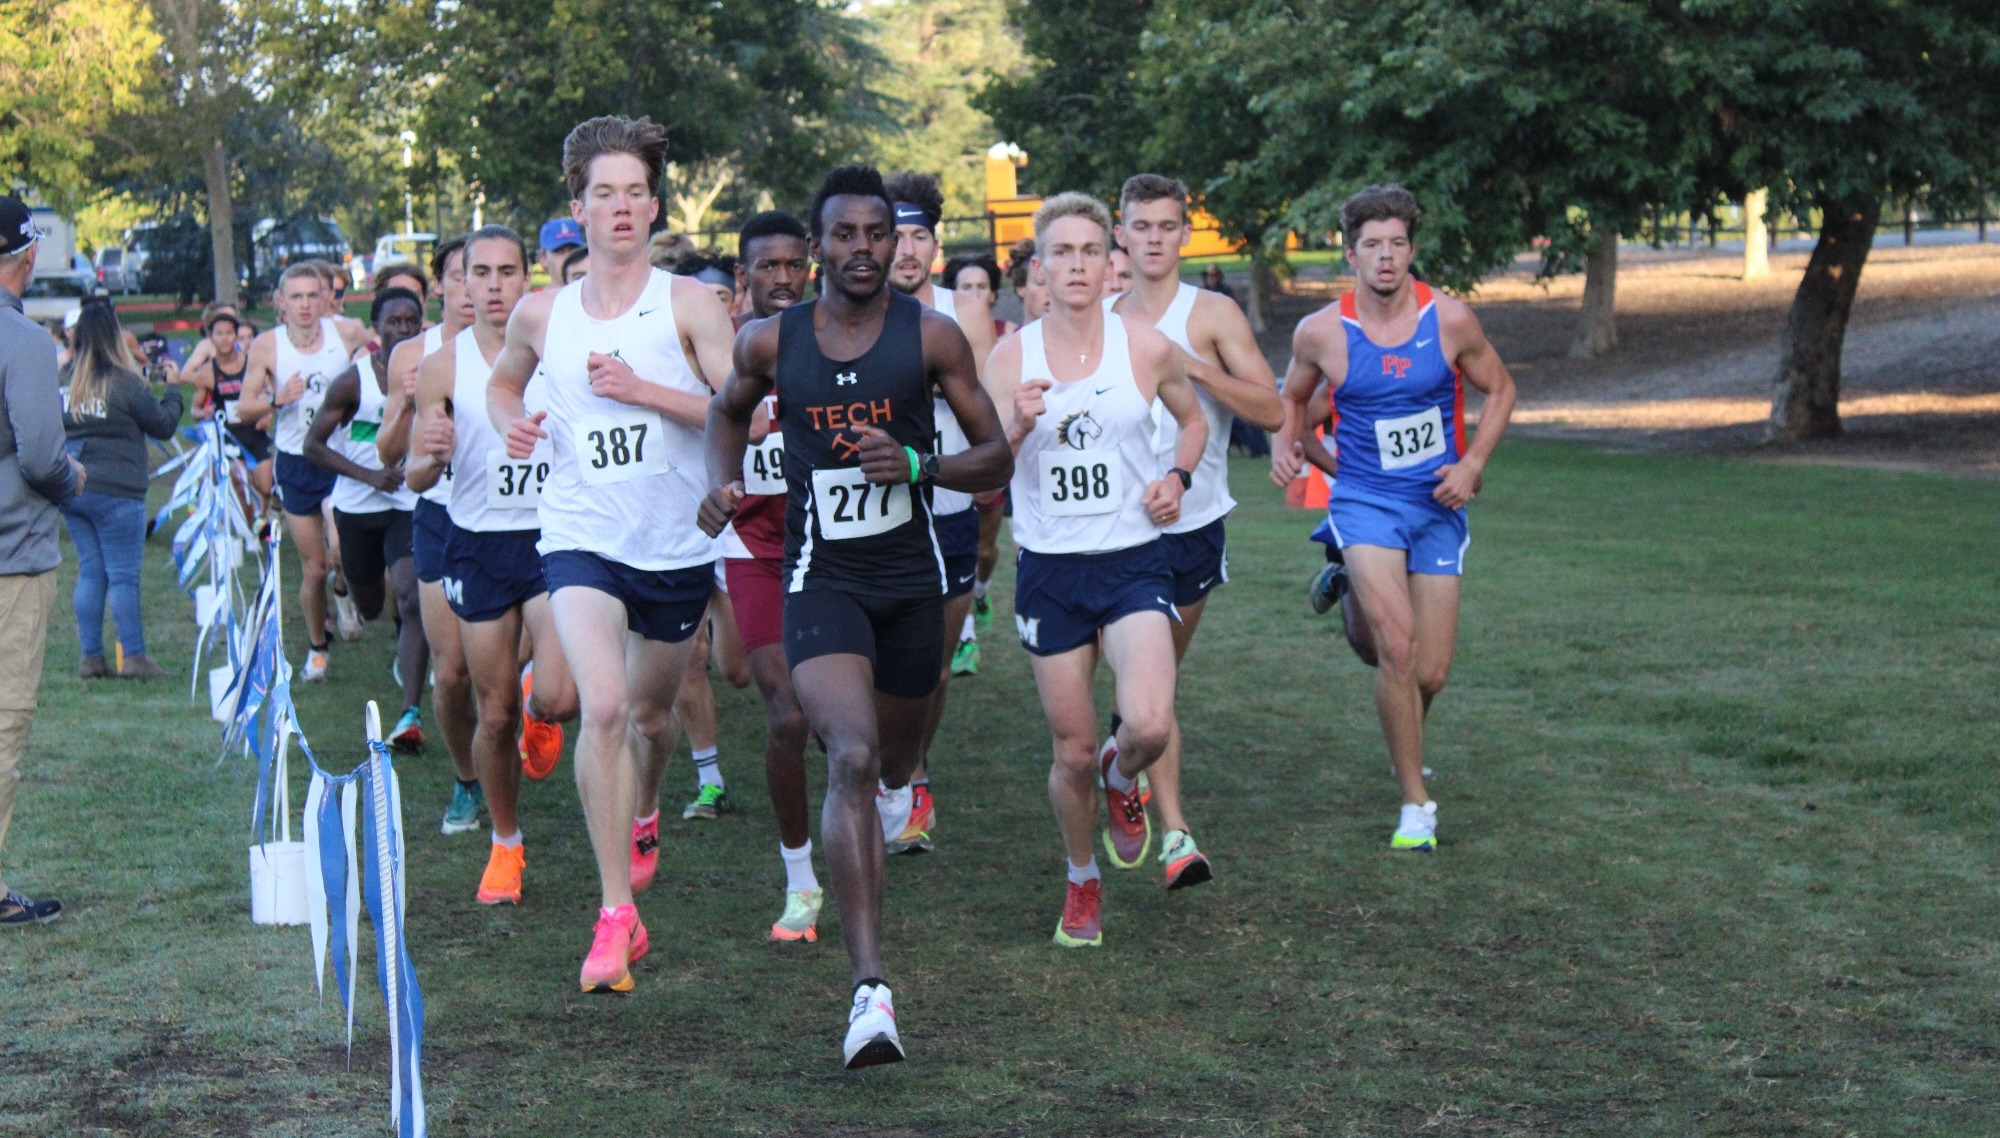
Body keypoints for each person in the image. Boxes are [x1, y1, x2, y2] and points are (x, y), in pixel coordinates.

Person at [701, 165, 1010, 1068]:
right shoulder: (772, 342)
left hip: (913, 581)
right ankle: (869, 990)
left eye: (878, 234)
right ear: (818, 244)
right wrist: (718, 483)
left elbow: (994, 457)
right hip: (820, 577)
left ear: (894, 242)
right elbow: (725, 414)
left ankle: (890, 800)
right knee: (851, 749)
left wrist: (918, 466)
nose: (864, 250)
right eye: (845, 235)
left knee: (898, 759)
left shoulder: (933, 339)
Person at [485, 115, 737, 994]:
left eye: (635, 192)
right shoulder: (541, 311)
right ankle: (612, 915)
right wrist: (507, 421)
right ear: (578, 209)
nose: (621, 206)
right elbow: (502, 378)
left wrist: (643, 391)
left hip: (671, 544)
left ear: (655, 207)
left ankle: (648, 807)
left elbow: (737, 410)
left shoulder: (690, 306)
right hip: (578, 533)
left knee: (651, 720)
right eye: (605, 192)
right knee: (601, 709)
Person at [982, 192, 1206, 949]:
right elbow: (985, 475)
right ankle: (1082, 879)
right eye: (1060, 253)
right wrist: (1015, 422)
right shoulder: (1010, 358)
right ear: (1038, 267)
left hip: (1134, 559)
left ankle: (1124, 777)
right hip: (1050, 571)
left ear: (1108, 261)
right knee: (1071, 751)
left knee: (1146, 722)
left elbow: (1195, 419)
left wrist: (1174, 477)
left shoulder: (1142, 345)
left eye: (1088, 251)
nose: (1075, 266)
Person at [1270, 184, 1517, 852]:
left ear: (1412, 249)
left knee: (1429, 671)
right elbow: (1292, 400)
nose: (1386, 256)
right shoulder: (1321, 331)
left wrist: (1473, 465)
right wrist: (1292, 450)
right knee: (1397, 650)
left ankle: (1352, 600)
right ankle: (1416, 803)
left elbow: (1501, 389)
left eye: (1398, 244)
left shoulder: (1452, 320)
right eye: (1372, 245)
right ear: (1350, 254)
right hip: (1366, 503)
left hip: (1437, 504)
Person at [1104, 173, 1285, 888]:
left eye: (1165, 226)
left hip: (1196, 522)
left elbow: (1271, 412)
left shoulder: (1210, 312)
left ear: (1185, 233)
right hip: (1116, 532)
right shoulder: (1103, 315)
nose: (1152, 238)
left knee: (1155, 683)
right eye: (1140, 226)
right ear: (1122, 232)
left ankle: (1121, 768)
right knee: (1149, 682)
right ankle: (1177, 834)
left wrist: (1194, 368)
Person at [410, 224, 579, 905]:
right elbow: (420, 477)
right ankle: (505, 844)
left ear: (528, 277)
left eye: (507, 272)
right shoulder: (442, 367)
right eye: (479, 273)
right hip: (478, 544)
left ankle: (548, 711)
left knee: (558, 697)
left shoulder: (559, 348)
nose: (493, 286)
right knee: (495, 710)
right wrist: (431, 450)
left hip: (552, 537)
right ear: (461, 284)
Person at [871, 171, 999, 857]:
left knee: (935, 669)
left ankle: (914, 767)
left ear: (936, 244)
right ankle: (885, 774)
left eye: (921, 235)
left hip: (946, 507)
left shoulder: (961, 315)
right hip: (873, 512)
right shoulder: (857, 309)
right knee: (868, 658)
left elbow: (985, 409)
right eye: (899, 235)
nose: (908, 250)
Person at [715, 209, 824, 940]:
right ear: (742, 277)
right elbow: (703, 416)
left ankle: (888, 792)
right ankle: (801, 880)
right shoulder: (725, 351)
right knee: (786, 715)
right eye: (767, 267)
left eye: (793, 264)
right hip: (755, 549)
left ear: (809, 266)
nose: (781, 278)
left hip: (836, 548)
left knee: (861, 726)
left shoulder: (841, 341)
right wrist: (722, 472)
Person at [377, 235, 490, 833]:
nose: (473, 288)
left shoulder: (519, 344)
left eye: (484, 275)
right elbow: (391, 453)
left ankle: (518, 723)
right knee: (451, 674)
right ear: (440, 285)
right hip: (440, 515)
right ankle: (467, 781)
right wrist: (404, 404)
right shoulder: (412, 354)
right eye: (461, 276)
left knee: (510, 669)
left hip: (509, 515)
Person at [0, 196, 84, 926]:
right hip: (10, 558)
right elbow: (39, 457)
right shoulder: (22, 340)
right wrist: (75, 479)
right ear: (27, 258)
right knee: (3, 720)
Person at [302, 287, 430, 749]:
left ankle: (410, 712)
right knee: (372, 604)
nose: (401, 328)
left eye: (410, 321)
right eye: (392, 321)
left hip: (409, 503)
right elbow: (312, 446)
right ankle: (357, 596)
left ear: (422, 324)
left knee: (412, 595)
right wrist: (369, 475)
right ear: (375, 328)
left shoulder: (431, 373)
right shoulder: (353, 381)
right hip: (358, 506)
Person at [236, 263, 371, 681]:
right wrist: (277, 399)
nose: (306, 305)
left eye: (313, 295)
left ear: (327, 297)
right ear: (281, 303)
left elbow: (381, 369)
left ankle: (344, 591)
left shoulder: (346, 333)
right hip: (295, 460)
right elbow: (244, 408)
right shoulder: (267, 346)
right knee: (313, 567)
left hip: (339, 459)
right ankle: (317, 649)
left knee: (340, 551)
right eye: (296, 297)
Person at [57, 300, 183, 679]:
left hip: (73, 488)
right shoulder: (125, 383)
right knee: (123, 576)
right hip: (118, 491)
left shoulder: (63, 378)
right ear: (114, 336)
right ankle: (135, 658)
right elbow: (162, 426)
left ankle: (92, 657)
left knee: (91, 572)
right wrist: (174, 390)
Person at [183, 308, 275, 502]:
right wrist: (204, 412)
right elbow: (194, 410)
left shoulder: (251, 364)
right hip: (228, 437)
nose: (224, 339)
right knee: (241, 487)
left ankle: (263, 519)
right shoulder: (207, 373)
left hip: (255, 433)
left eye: (229, 333)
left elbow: (270, 391)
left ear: (236, 336)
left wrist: (267, 415)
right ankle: (248, 529)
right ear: (211, 338)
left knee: (265, 487)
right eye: (219, 334)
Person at [944, 254, 1014, 338]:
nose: (975, 295)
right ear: (951, 294)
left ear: (993, 294)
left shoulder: (1014, 335)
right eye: (967, 287)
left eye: (982, 287)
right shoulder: (940, 336)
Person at [538, 219, 584, 286]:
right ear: (543, 258)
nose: (569, 256)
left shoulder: (597, 295)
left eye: (575, 250)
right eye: (560, 251)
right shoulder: (537, 296)